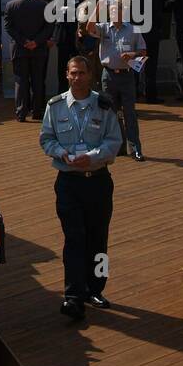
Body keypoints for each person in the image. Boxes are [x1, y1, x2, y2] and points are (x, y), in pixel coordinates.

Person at [39, 56, 122, 320]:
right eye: (73, 73)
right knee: (74, 238)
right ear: (67, 75)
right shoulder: (55, 106)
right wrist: (61, 153)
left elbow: (114, 141)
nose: (77, 77)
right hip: (68, 183)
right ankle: (73, 296)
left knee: (99, 240)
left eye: (82, 73)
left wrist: (95, 156)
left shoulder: (104, 105)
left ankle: (95, 289)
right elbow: (46, 138)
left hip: (97, 180)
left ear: (90, 75)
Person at [84, 0, 147, 161]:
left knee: (129, 112)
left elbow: (143, 51)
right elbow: (89, 28)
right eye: (110, 11)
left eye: (116, 11)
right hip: (109, 75)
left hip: (126, 75)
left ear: (122, 13)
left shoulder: (133, 30)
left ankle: (135, 147)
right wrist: (98, 7)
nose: (113, 14)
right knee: (110, 112)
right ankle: (115, 147)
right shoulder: (104, 28)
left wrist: (132, 54)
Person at [5, 0, 53, 122]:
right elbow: (49, 27)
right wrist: (36, 42)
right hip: (38, 50)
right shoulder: (44, 5)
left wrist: (24, 41)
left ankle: (21, 112)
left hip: (19, 49)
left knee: (21, 80)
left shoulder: (11, 5)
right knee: (37, 80)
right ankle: (37, 111)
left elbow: (8, 27)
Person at [131, 0, 161, 103]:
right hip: (150, 33)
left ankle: (134, 94)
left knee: (134, 64)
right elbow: (156, 13)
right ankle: (151, 95)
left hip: (133, 33)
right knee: (150, 65)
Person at [53, 0, 81, 93]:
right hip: (63, 36)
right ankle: (62, 95)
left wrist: (70, 10)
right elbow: (53, 11)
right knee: (62, 69)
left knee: (79, 67)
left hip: (78, 37)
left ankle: (79, 94)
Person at [75, 0, 103, 88]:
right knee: (88, 73)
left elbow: (100, 28)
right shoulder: (82, 6)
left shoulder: (98, 7)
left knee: (95, 74)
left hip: (94, 45)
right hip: (84, 45)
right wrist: (79, 32)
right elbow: (80, 25)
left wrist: (95, 48)